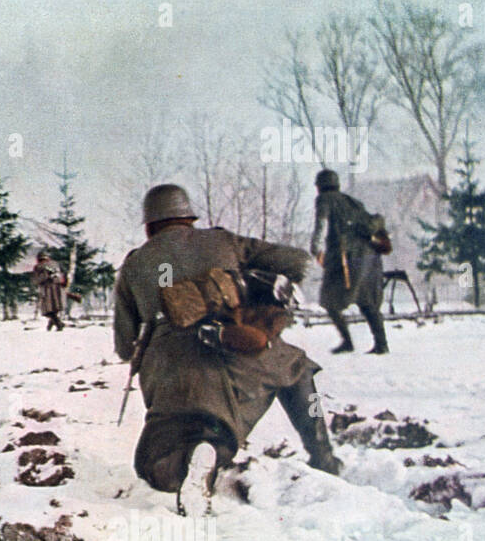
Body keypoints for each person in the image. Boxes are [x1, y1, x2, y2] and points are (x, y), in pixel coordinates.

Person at [113, 184, 343, 515]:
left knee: (156, 465)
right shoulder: (223, 241)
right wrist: (251, 286)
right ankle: (323, 457)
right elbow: (300, 262)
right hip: (238, 355)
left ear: (149, 226)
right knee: (296, 367)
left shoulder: (134, 264)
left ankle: (191, 465)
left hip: (169, 378)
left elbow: (124, 346)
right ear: (189, 218)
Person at [311, 169, 390, 354]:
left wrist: (316, 249)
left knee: (329, 301)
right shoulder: (352, 202)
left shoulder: (324, 199)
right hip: (369, 257)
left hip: (344, 257)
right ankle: (382, 343)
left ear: (320, 186)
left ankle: (347, 342)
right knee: (367, 301)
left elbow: (321, 224)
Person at [31, 250, 67, 331]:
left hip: (48, 289)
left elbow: (41, 278)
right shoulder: (56, 264)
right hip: (59, 288)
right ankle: (51, 325)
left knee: (48, 309)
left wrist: (35, 281)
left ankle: (58, 324)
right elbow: (64, 274)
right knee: (55, 308)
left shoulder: (39, 266)